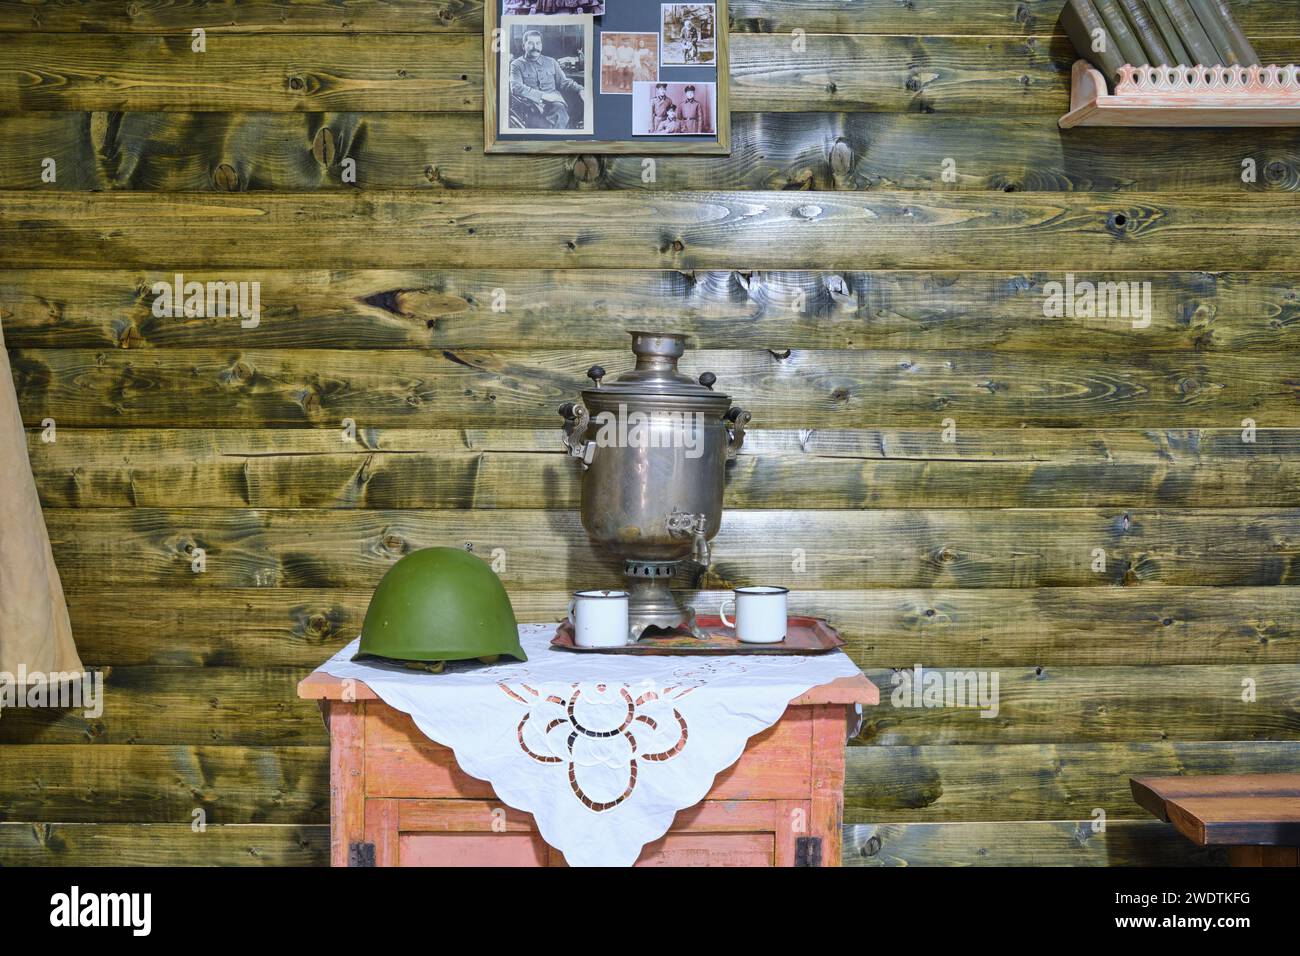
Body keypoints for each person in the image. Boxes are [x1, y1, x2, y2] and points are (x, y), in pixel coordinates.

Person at [510, 29, 586, 130]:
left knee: (563, 109)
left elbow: (564, 82)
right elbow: (516, 87)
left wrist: (580, 89)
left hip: (555, 103)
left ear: (541, 45)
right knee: (558, 116)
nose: (535, 47)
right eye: (531, 43)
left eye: (538, 43)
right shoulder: (516, 64)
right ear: (523, 46)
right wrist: (544, 96)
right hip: (531, 105)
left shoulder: (551, 62)